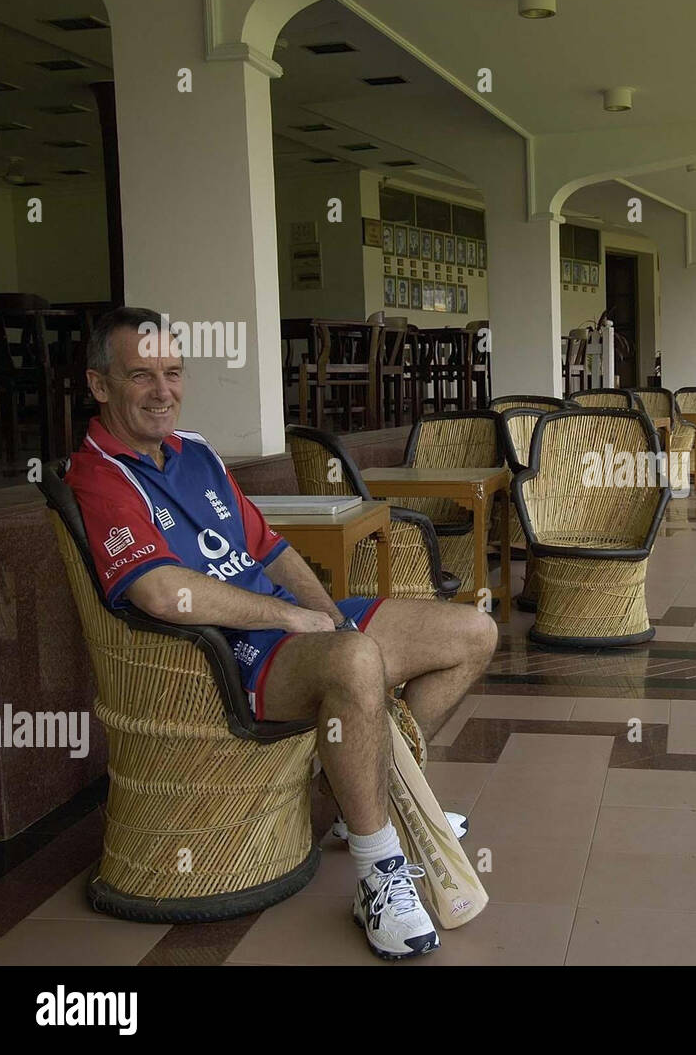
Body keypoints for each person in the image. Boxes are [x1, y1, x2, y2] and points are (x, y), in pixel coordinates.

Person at [65, 307, 498, 960]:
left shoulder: (198, 453)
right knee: (353, 662)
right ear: (100, 385)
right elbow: (158, 590)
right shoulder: (98, 475)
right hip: (219, 659)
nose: (163, 391)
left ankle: (357, 799)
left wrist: (329, 614)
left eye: (173, 372)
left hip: (288, 634)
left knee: (474, 631)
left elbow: (271, 551)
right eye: (141, 375)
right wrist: (293, 621)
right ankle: (378, 873)